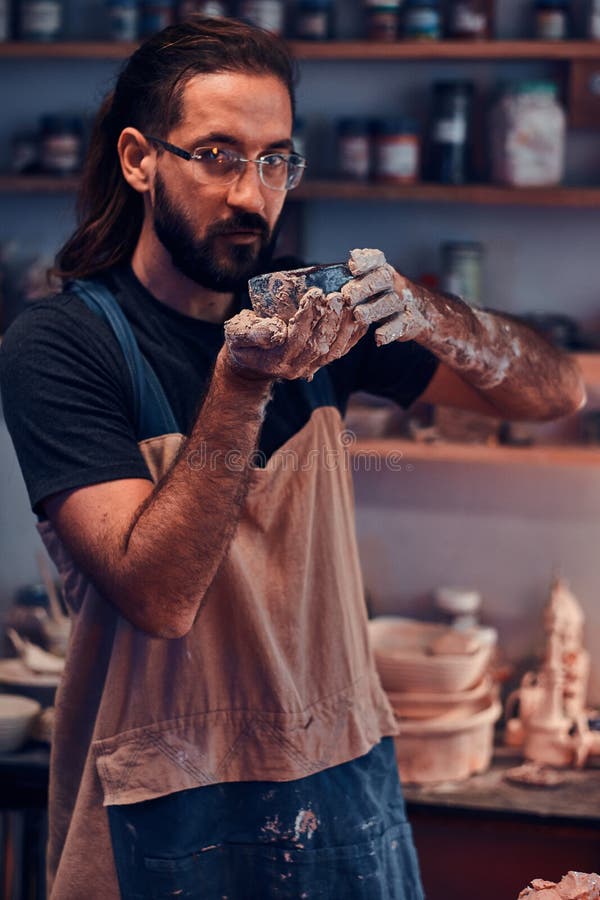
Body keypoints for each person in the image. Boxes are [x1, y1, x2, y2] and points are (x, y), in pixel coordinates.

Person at [0, 16, 585, 900]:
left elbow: (554, 395)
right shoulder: (61, 345)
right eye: (219, 155)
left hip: (337, 772)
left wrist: (432, 316)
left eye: (276, 159)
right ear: (137, 158)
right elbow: (158, 594)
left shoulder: (323, 311)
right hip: (161, 801)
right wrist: (240, 384)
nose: (253, 195)